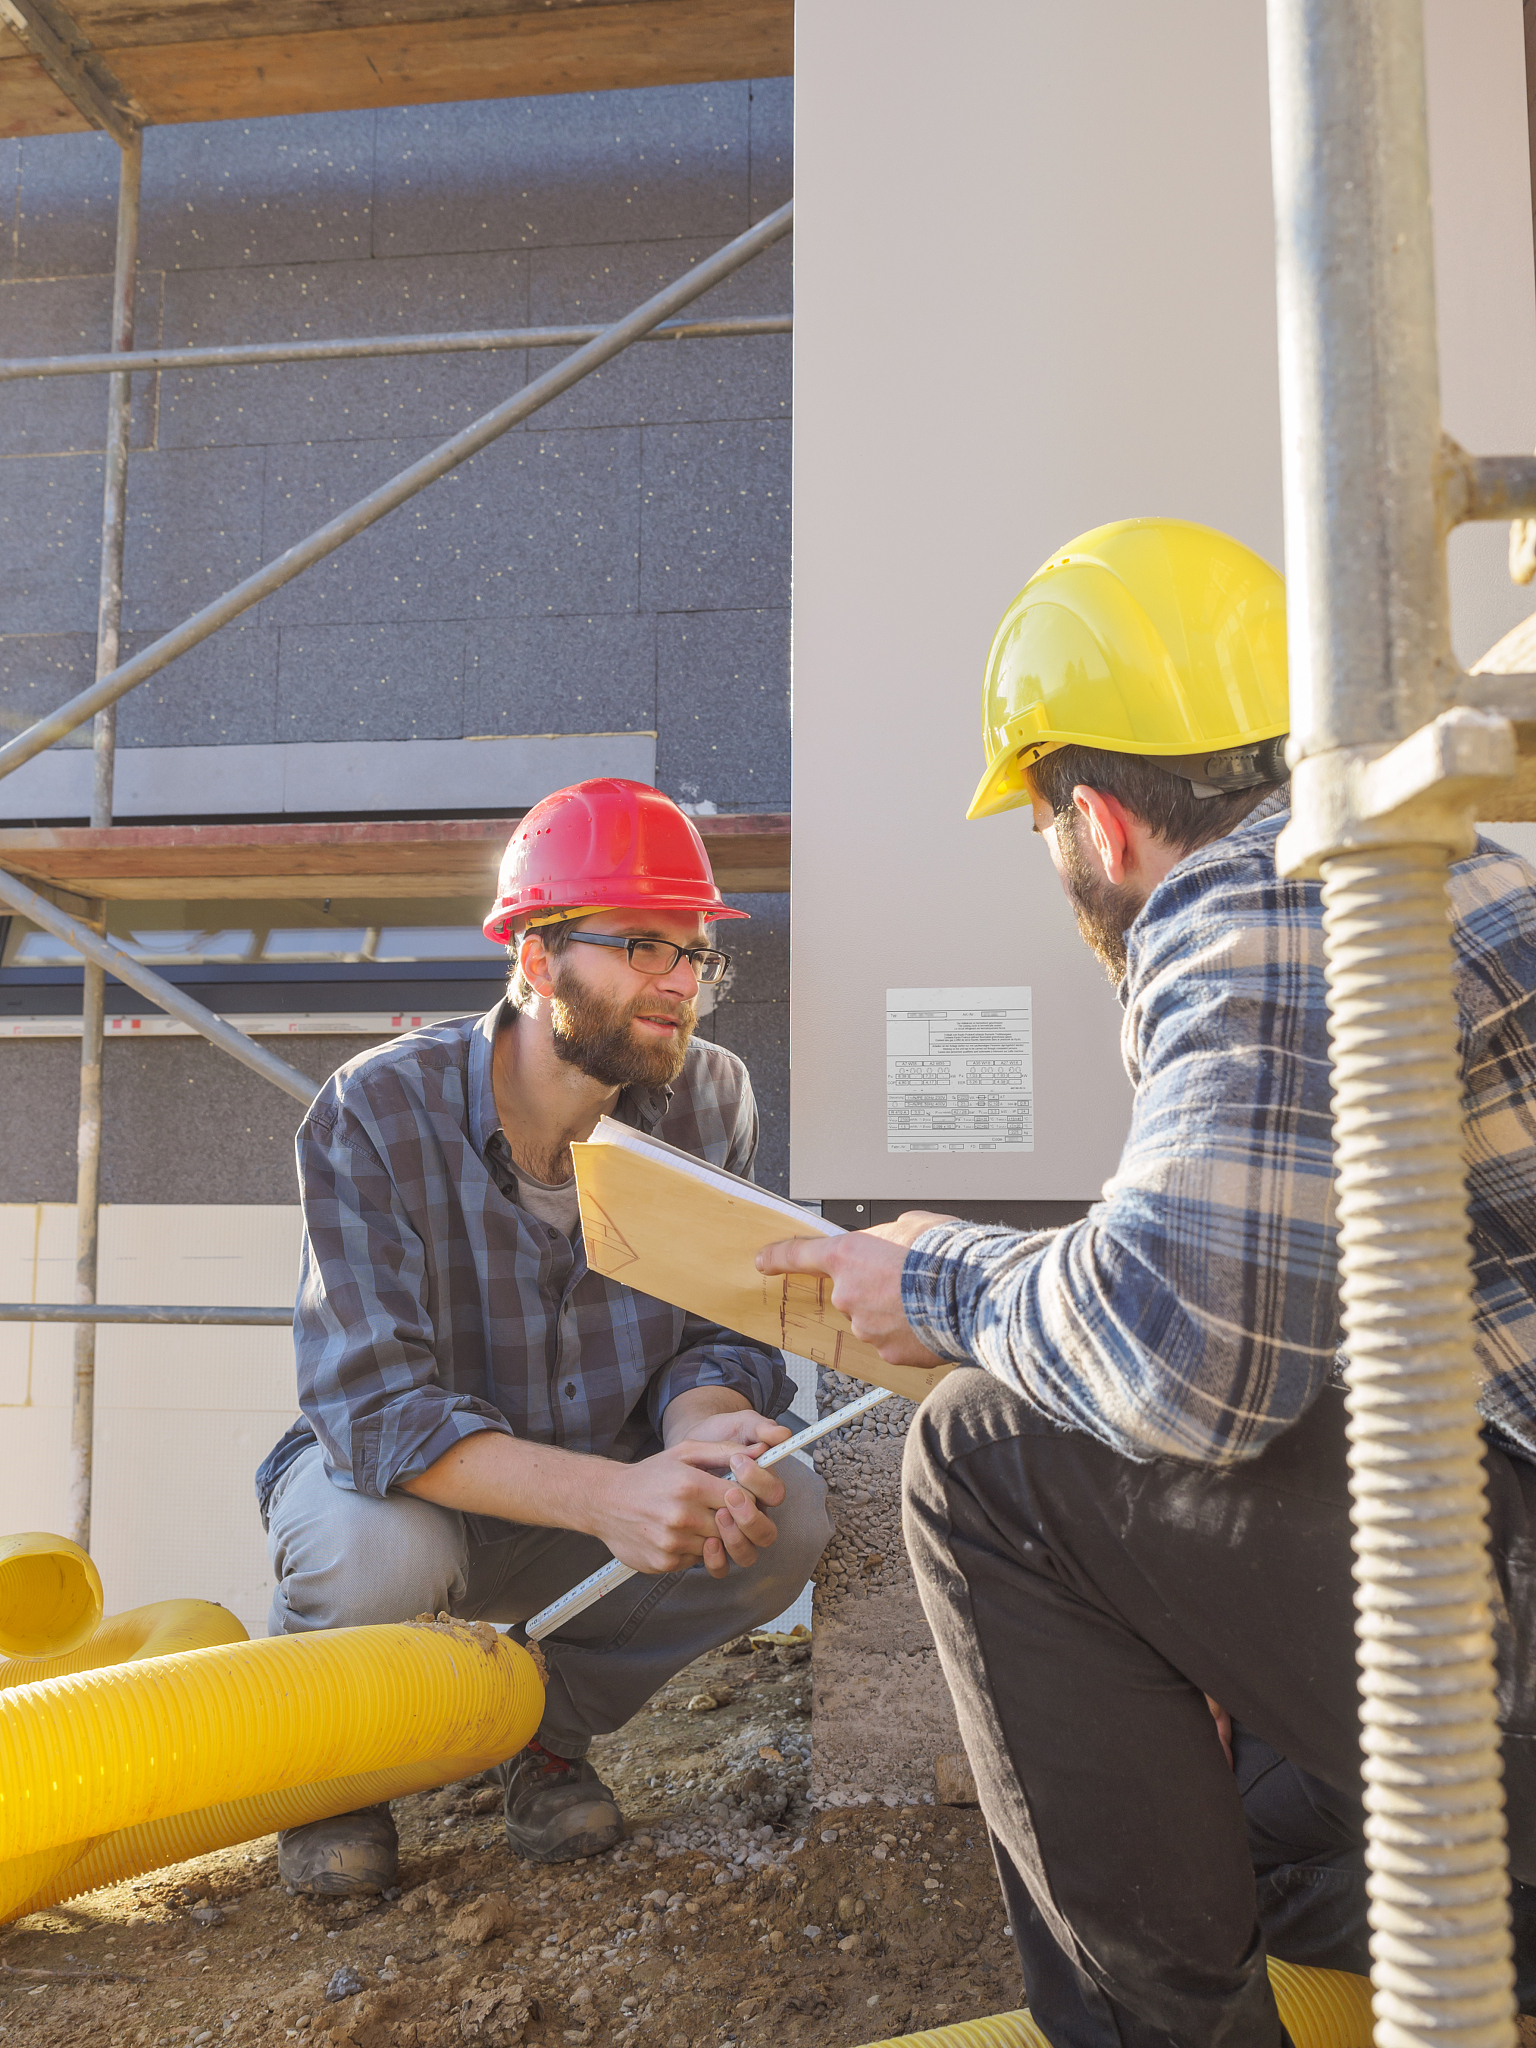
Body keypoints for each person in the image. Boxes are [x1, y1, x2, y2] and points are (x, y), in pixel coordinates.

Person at [758, 519, 1536, 2047]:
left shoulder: (1258, 897)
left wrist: (942, 1280)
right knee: (1235, 1826)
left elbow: (1190, 1360)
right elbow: (1280, 1298)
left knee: (986, 1452)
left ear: (1096, 822)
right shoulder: (1446, 869)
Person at [258, 776, 831, 1895]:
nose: (681, 983)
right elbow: (374, 1408)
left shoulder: (713, 1098)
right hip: (404, 1493)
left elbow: (719, 1333)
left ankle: (540, 1737)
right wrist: (611, 1497)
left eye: (694, 954)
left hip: (592, 1488)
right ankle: (330, 1772)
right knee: (376, 1553)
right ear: (533, 955)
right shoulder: (373, 1110)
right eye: (643, 946)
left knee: (789, 1509)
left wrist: (709, 1434)